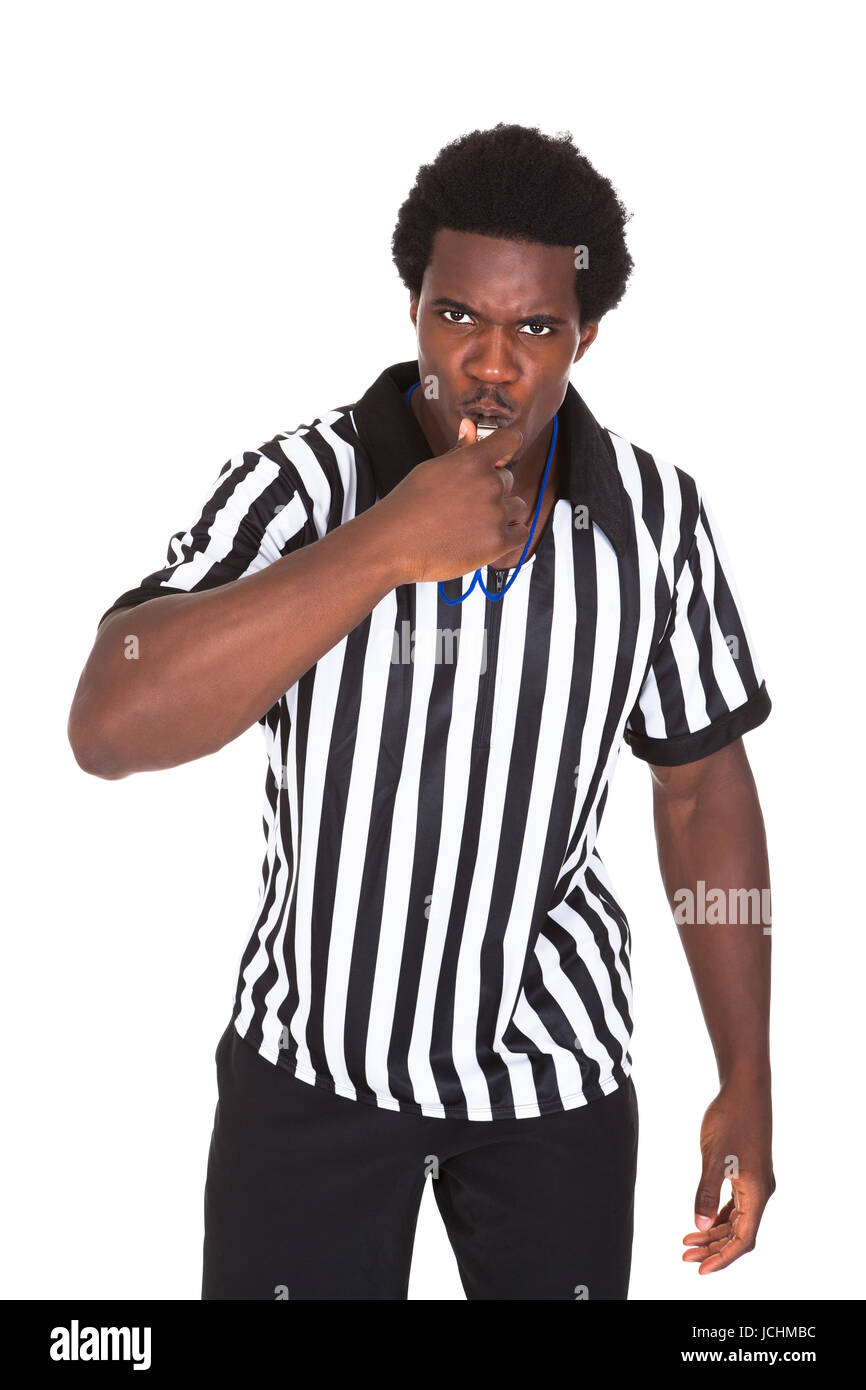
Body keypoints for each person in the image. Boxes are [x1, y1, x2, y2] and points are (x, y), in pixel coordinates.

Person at [68, 123, 775, 1300]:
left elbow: (700, 782)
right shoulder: (301, 486)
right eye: (459, 317)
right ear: (413, 310)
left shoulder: (653, 516)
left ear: (584, 335)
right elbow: (108, 720)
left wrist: (745, 1071)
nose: (489, 364)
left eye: (534, 328)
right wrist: (379, 546)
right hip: (313, 1060)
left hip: (550, 1075)